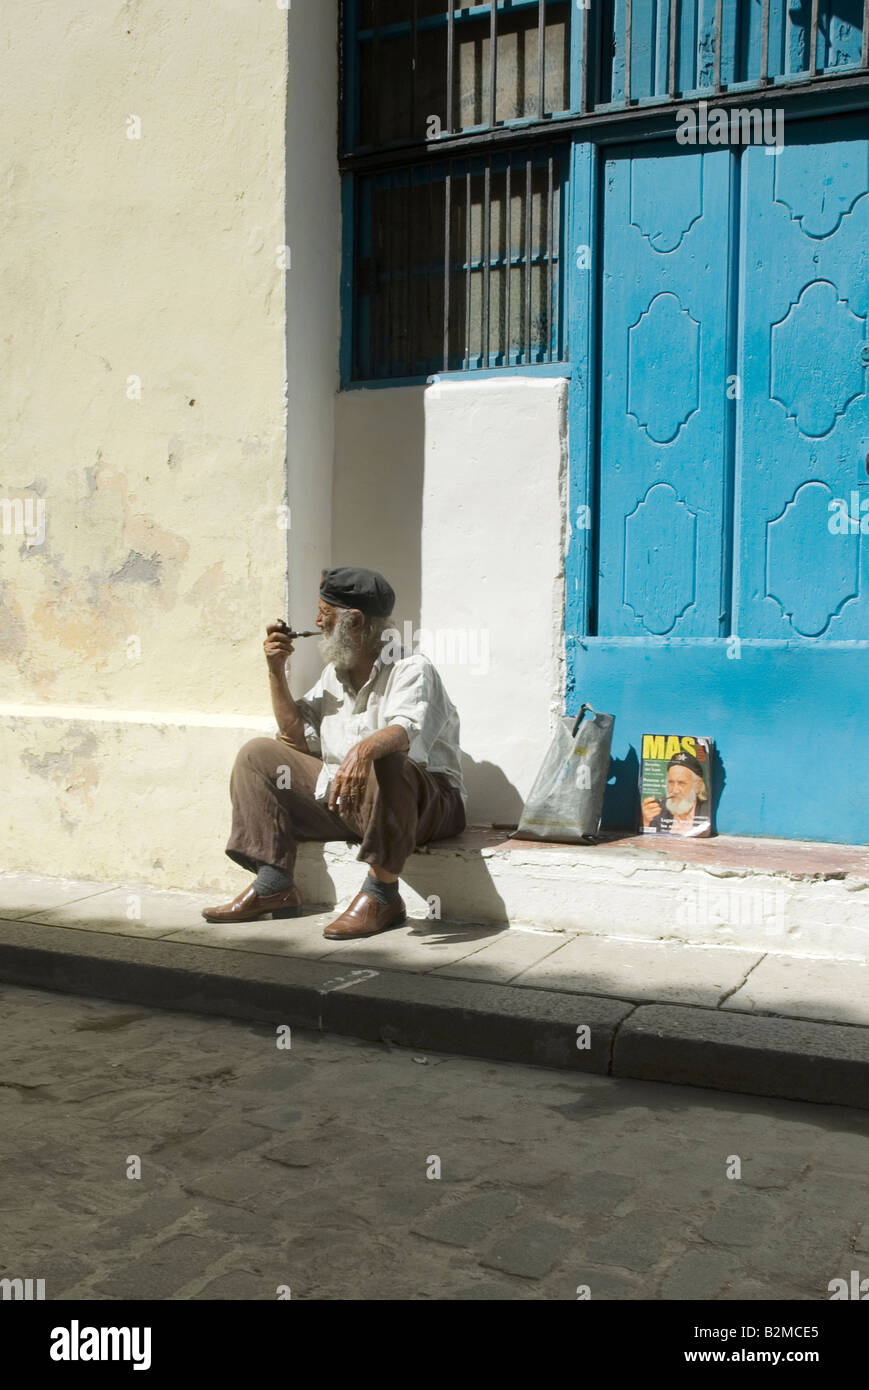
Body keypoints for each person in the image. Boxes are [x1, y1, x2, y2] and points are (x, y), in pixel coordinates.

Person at [202, 566, 467, 938]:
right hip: (354, 804)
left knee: (386, 755)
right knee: (258, 755)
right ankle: (274, 884)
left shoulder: (412, 668)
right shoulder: (334, 675)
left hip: (428, 807)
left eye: (324, 613)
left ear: (354, 621)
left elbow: (404, 732)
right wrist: (276, 670)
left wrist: (363, 751)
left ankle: (383, 894)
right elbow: (294, 738)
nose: (316, 621)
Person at [641, 751, 709, 837]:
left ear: (697, 785)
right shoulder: (657, 810)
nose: (674, 790)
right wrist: (645, 821)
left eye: (681, 783)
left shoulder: (706, 811)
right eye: (671, 782)